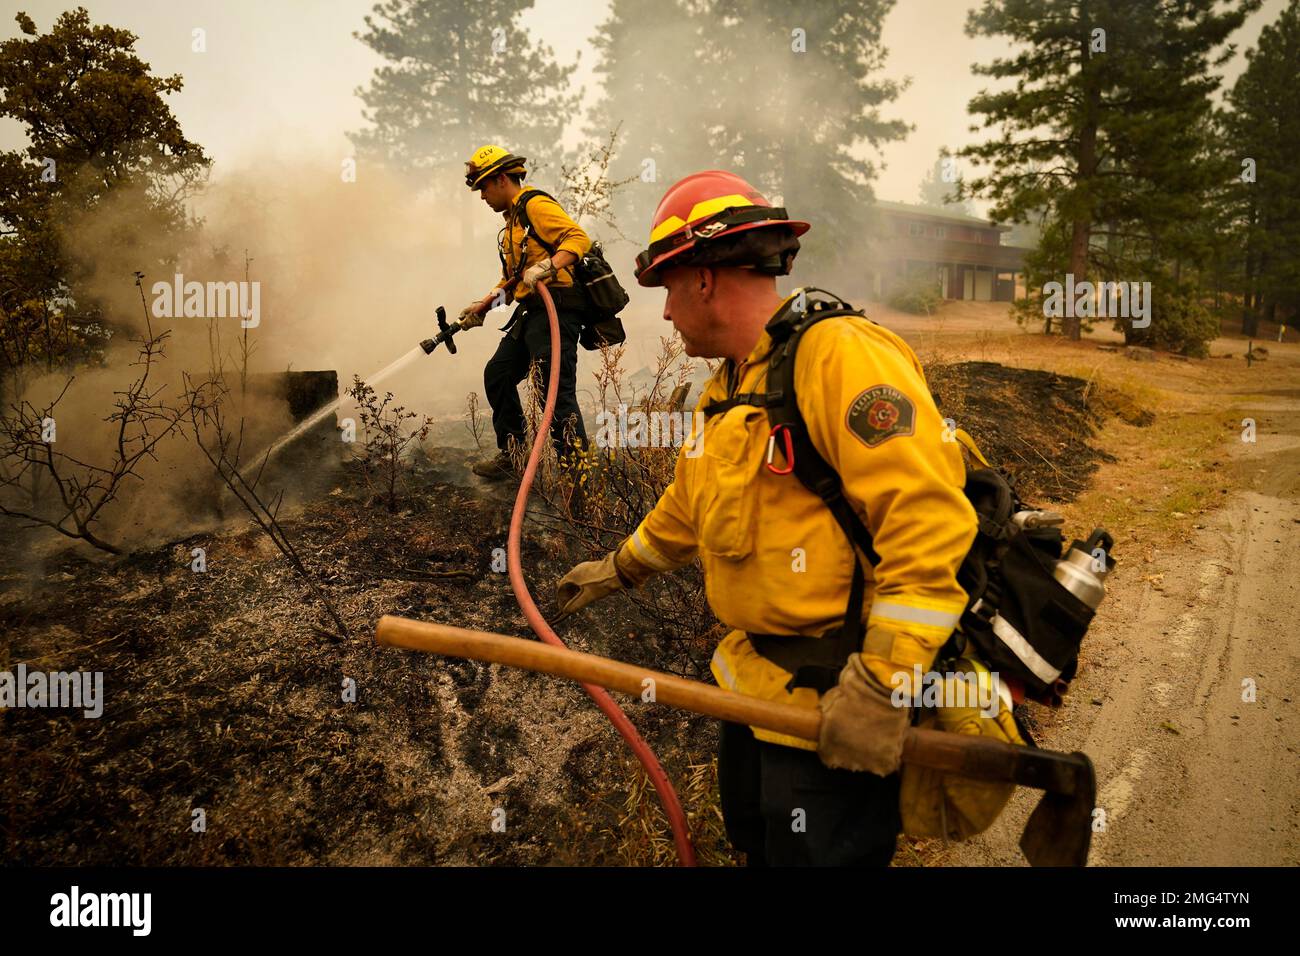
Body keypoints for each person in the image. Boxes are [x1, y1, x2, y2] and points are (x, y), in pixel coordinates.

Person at [554, 170, 980, 866]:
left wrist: (885, 681)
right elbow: (687, 511)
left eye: (666, 287)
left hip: (840, 701)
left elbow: (927, 520)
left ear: (704, 280)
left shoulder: (838, 355)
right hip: (756, 695)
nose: (664, 314)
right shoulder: (732, 387)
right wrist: (616, 569)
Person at [458, 144, 592, 479]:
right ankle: (515, 455)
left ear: (502, 179)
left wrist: (550, 264)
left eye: (484, 188)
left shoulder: (535, 205)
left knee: (554, 395)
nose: (482, 196)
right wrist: (484, 306)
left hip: (557, 309)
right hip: (532, 312)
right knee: (499, 374)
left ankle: (576, 478)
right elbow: (515, 278)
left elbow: (578, 238)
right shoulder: (513, 221)